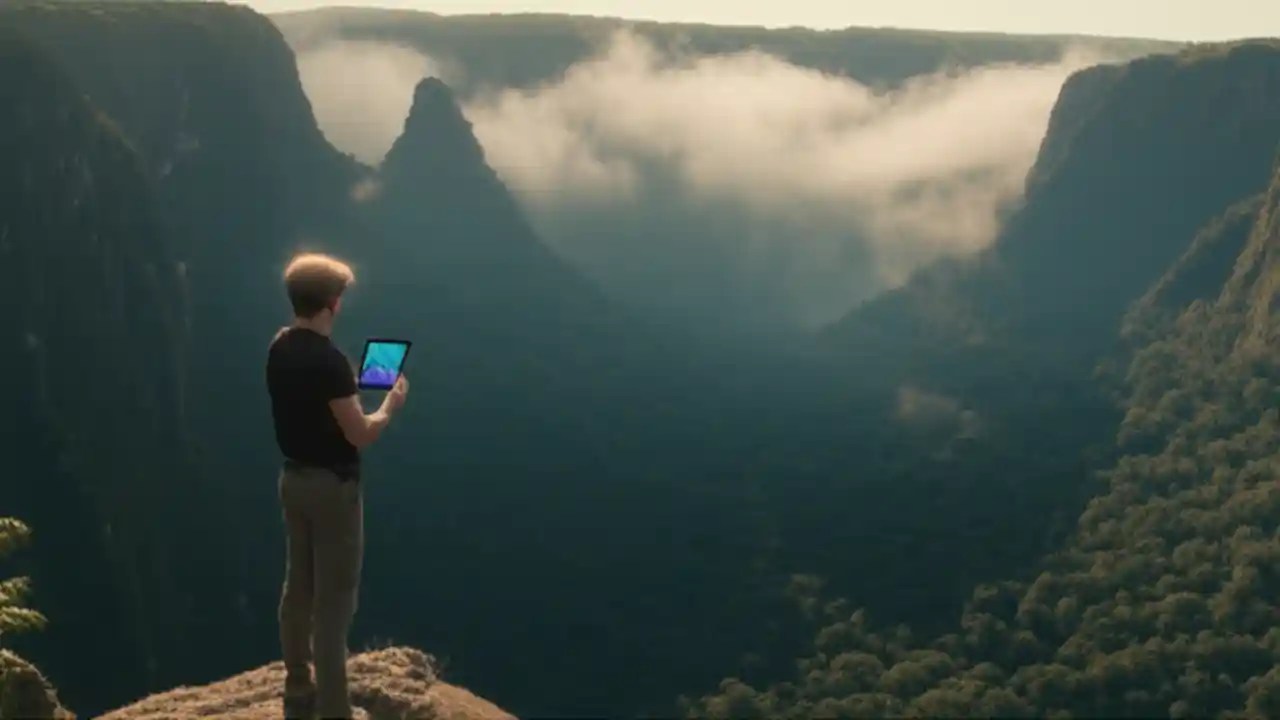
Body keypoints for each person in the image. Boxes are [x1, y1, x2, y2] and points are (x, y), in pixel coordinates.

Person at [265, 252, 409, 719]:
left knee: (299, 585)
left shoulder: (280, 346)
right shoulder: (331, 363)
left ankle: (298, 685)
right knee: (335, 601)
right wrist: (389, 404)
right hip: (333, 488)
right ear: (333, 303)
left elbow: (321, 407)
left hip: (293, 479)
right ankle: (334, 710)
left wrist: (349, 395)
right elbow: (360, 434)